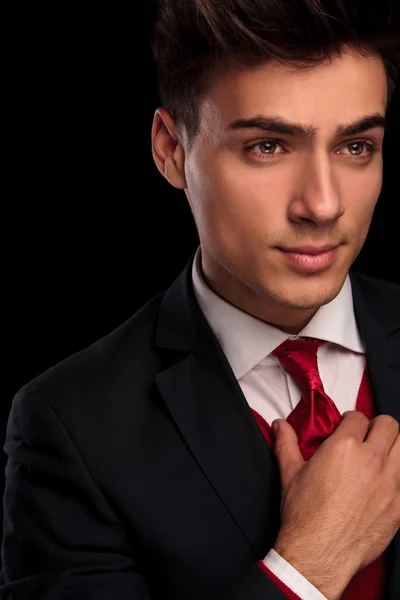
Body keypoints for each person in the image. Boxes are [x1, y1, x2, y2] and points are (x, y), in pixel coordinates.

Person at [1, 0, 400, 598]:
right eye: (268, 146)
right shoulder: (71, 425)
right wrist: (308, 566)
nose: (322, 205)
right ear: (170, 150)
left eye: (355, 147)